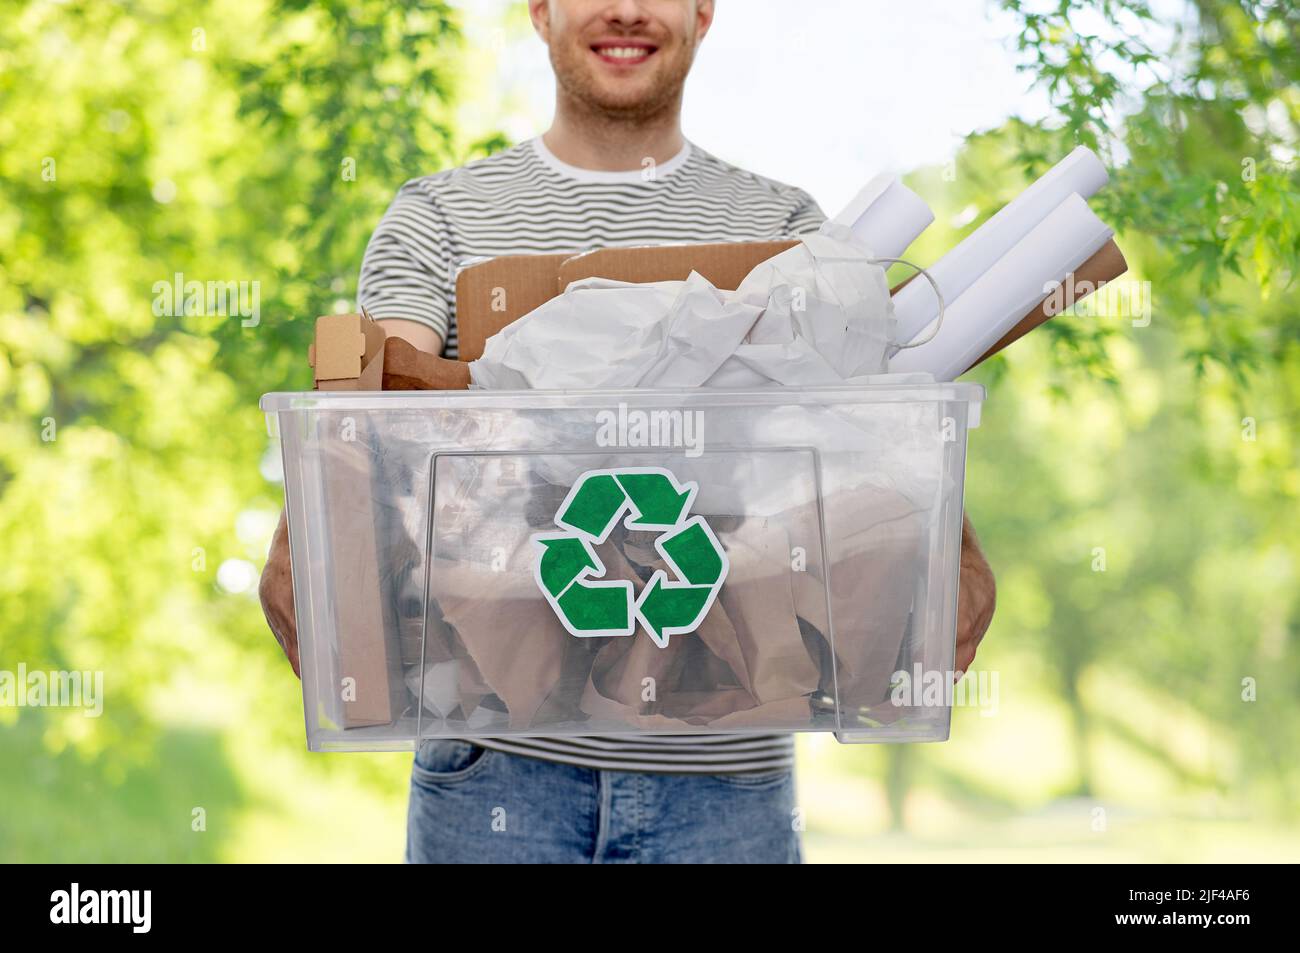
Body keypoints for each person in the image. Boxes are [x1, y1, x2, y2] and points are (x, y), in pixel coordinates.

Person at [259, 0, 997, 864]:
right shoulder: (439, 218)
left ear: (704, 11)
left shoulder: (791, 235)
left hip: (730, 775)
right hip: (496, 770)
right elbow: (384, 435)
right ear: (539, 10)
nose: (625, 10)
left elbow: (850, 467)